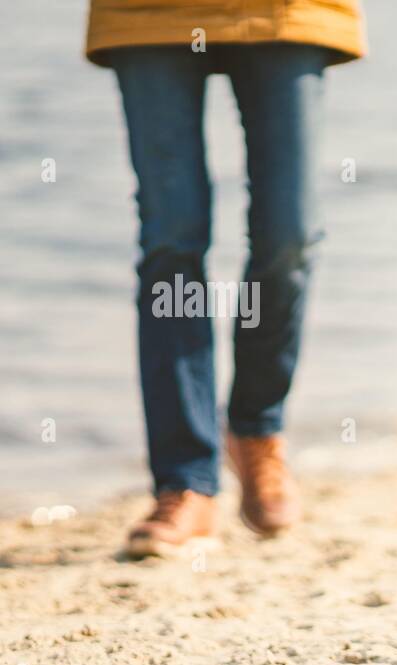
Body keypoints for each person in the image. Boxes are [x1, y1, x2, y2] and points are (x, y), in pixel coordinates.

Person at [84, 0, 366, 557]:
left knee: (290, 235)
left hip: (285, 12)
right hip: (147, 13)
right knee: (171, 242)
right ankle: (185, 482)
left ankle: (257, 430)